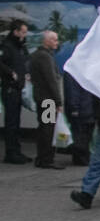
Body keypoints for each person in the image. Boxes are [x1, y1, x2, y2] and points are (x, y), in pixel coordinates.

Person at [29, 30, 63, 168]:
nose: (57, 42)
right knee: (48, 128)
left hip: (41, 97)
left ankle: (42, 157)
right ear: (46, 41)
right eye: (54, 40)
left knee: (44, 126)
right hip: (48, 100)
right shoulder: (45, 57)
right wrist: (58, 101)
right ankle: (46, 159)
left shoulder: (36, 55)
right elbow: (51, 80)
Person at [2, 21, 31, 164]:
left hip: (20, 88)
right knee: (12, 122)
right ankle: (11, 152)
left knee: (16, 121)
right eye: (23, 32)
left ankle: (16, 150)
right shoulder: (7, 46)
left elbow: (24, 62)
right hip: (11, 88)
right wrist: (11, 73)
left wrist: (25, 73)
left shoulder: (20, 47)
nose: (25, 35)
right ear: (16, 31)